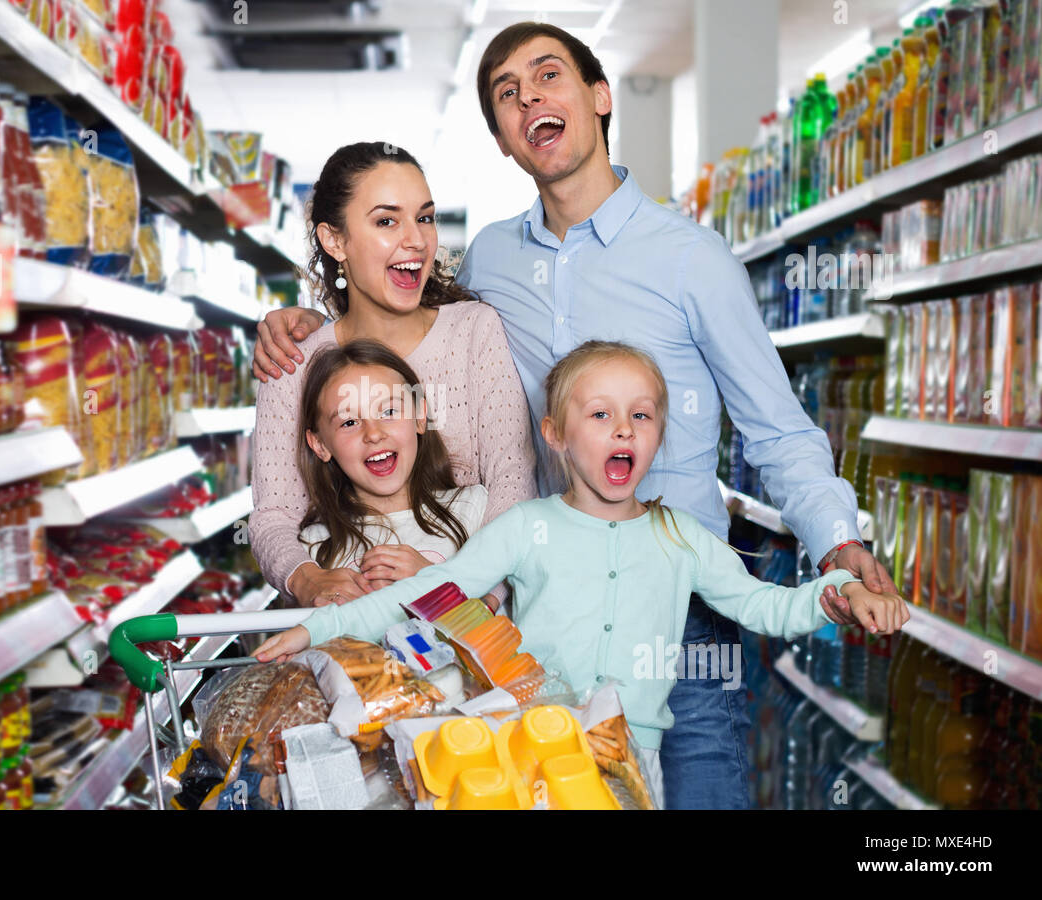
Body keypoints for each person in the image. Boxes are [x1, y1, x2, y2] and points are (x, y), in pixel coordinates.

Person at [250, 22, 897, 810]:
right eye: (507, 94)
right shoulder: (489, 263)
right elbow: (386, 335)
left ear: (599, 97)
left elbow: (776, 429)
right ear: (503, 141)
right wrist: (297, 321)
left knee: (694, 792)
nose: (531, 100)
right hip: (540, 615)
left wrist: (839, 536)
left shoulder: (693, 258)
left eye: (549, 75)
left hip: (677, 605)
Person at [255, 341, 910, 807]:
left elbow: (765, 606)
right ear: (556, 434)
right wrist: (321, 628)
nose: (622, 428)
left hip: (634, 761)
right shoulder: (523, 528)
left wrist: (838, 593)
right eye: (600, 414)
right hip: (533, 749)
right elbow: (430, 593)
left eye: (641, 415)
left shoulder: (683, 537)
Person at [248, 141, 537, 610]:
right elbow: (274, 515)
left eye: (424, 217)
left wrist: (464, 592)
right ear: (334, 240)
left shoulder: (473, 329)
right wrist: (309, 581)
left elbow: (512, 483)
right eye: (387, 221)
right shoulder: (293, 363)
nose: (417, 240)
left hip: (470, 623)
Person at [295, 339, 491, 599]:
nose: (374, 434)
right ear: (319, 444)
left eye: (388, 411)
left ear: (420, 416)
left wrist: (432, 582)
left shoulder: (475, 510)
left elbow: (494, 624)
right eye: (350, 421)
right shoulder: (313, 548)